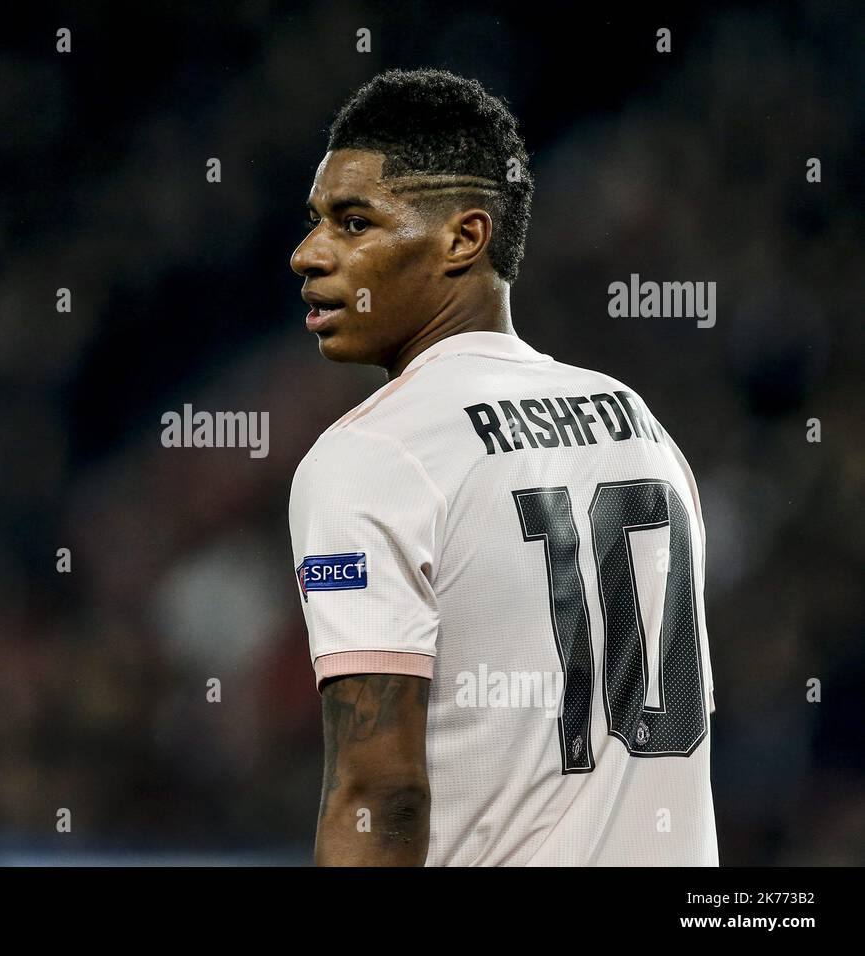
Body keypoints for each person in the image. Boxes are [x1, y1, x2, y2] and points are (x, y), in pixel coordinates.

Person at [288, 68, 718, 866]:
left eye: (353, 223)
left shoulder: (371, 455)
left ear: (465, 237)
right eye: (314, 221)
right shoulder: (640, 424)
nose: (307, 254)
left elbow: (378, 794)